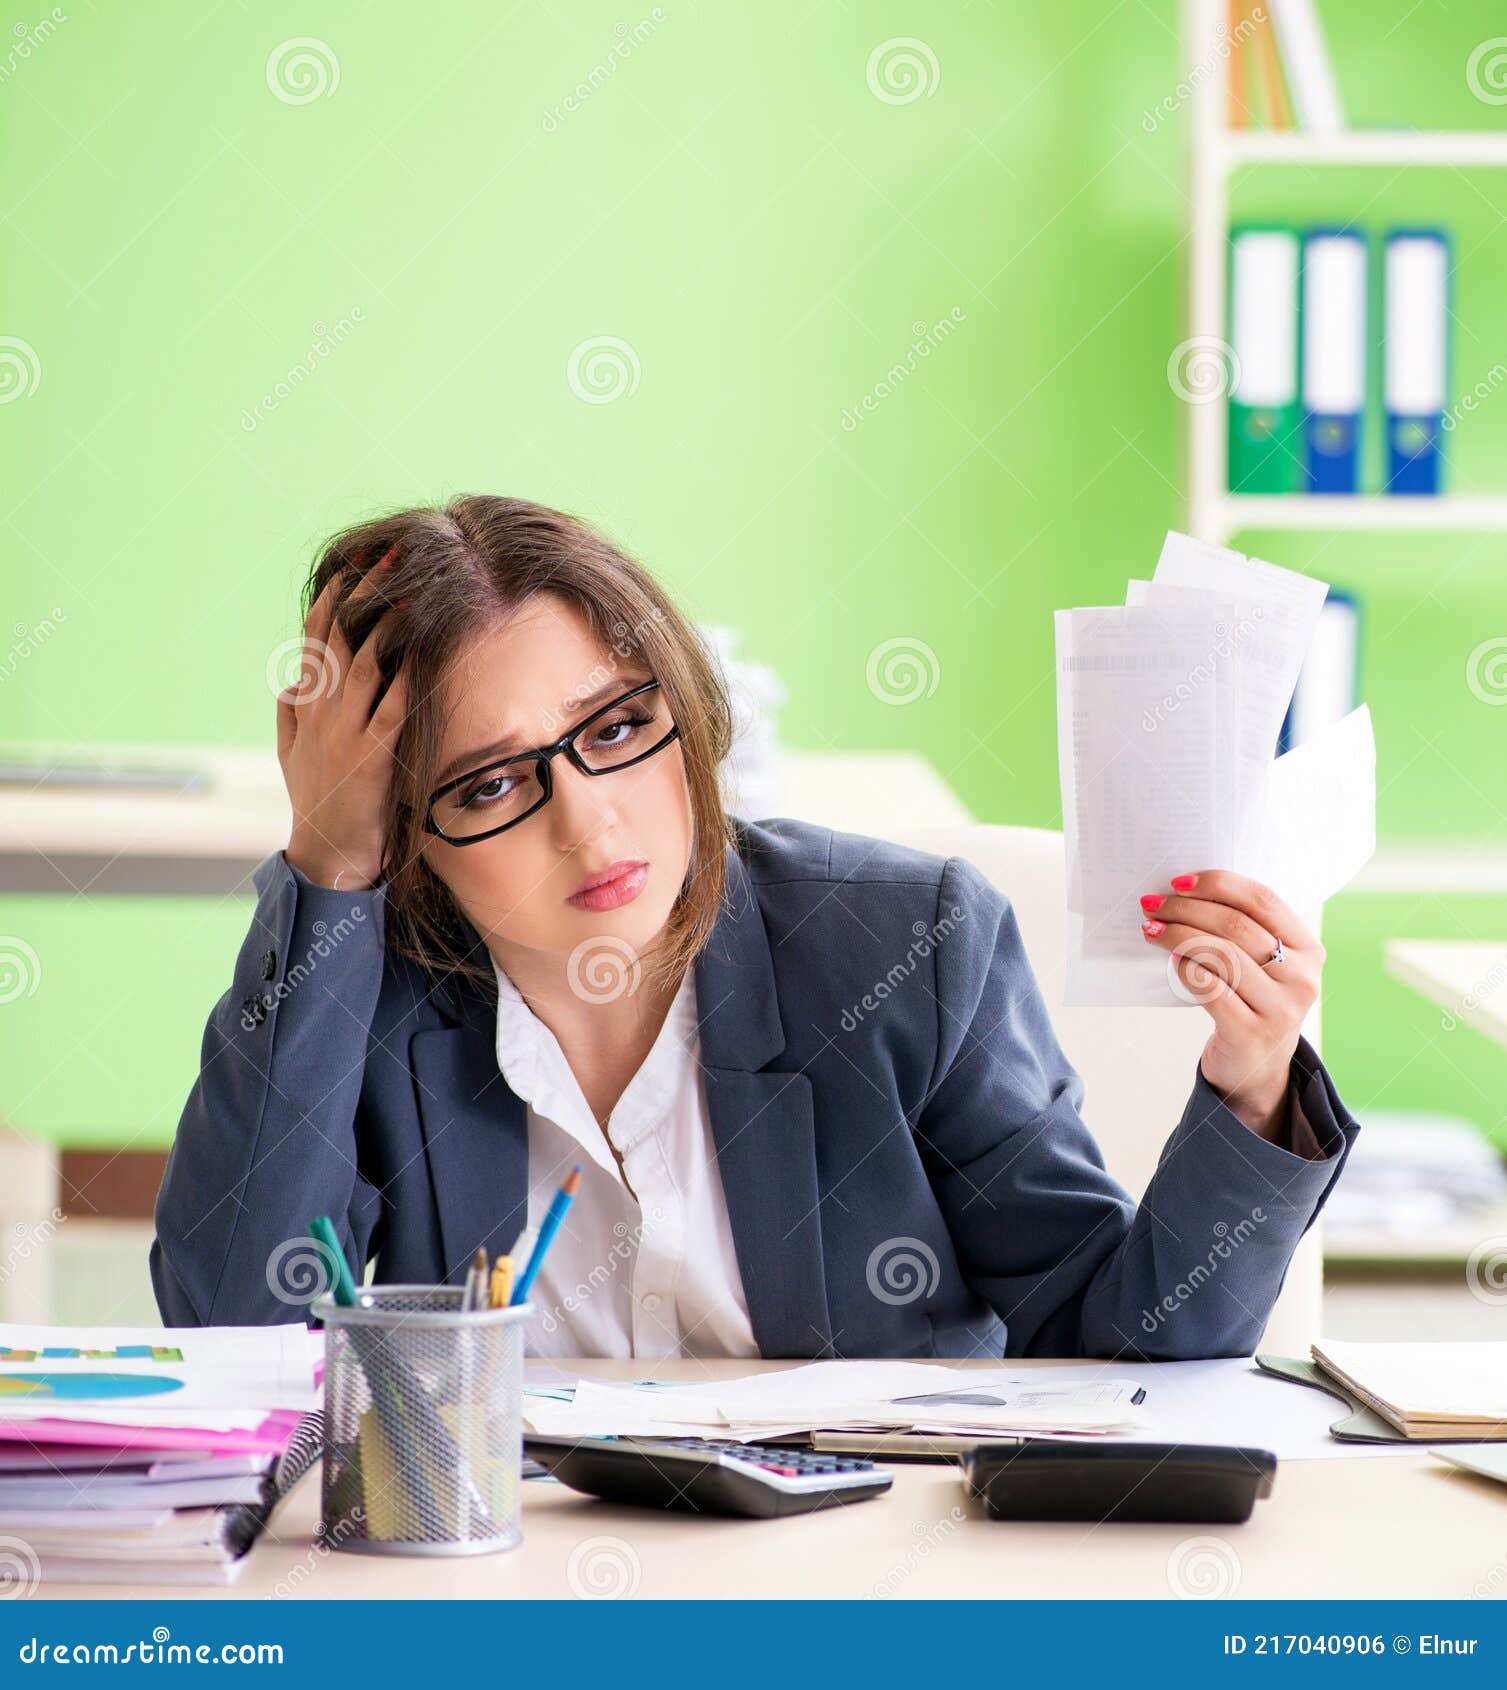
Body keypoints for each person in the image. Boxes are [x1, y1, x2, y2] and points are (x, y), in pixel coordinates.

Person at [150, 494, 1359, 1359]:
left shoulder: (904, 949)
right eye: (490, 783)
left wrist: (1252, 1082)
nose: (590, 824)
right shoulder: (357, 991)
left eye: (615, 729)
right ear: (407, 830)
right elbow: (235, 1336)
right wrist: (326, 864)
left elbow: (1123, 1338)